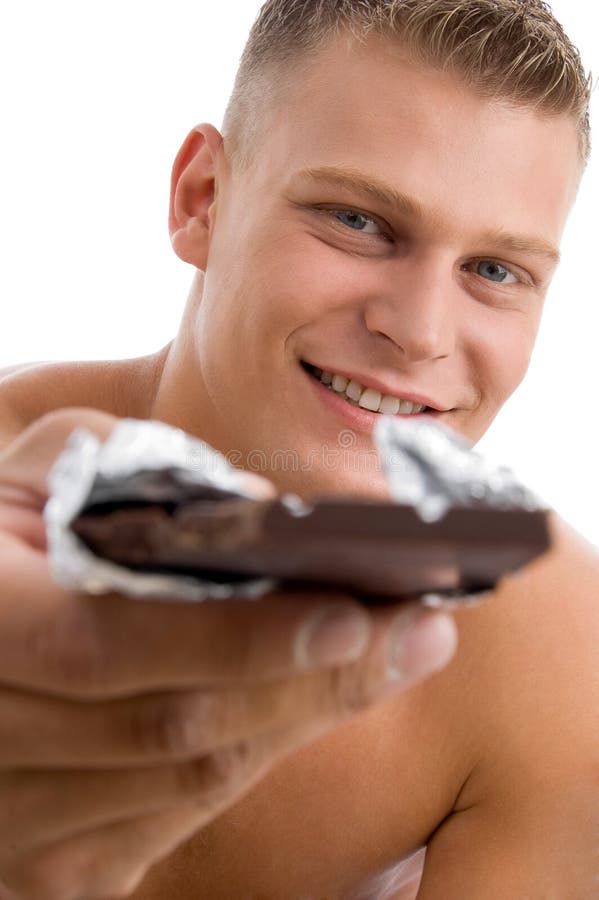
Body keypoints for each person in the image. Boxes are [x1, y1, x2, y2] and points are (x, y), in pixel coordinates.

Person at [0, 0, 597, 897]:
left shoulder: (554, 659)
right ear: (201, 200)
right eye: (357, 221)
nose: (419, 332)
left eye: (494, 271)